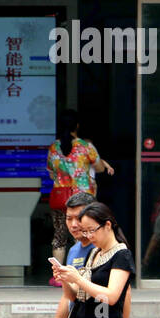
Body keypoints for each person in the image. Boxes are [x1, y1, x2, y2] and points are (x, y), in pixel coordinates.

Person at [46, 110, 113, 279]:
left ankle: (58, 277)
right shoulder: (86, 146)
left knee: (59, 236)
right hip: (83, 199)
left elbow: (51, 172)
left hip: (60, 198)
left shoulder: (54, 147)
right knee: (84, 234)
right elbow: (99, 168)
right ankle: (82, 275)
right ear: (77, 126)